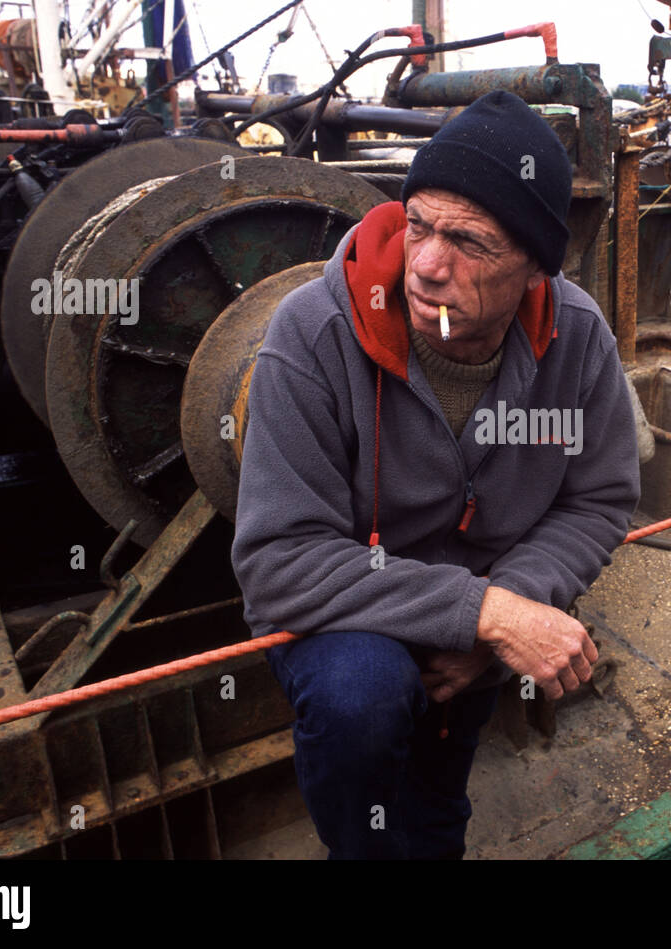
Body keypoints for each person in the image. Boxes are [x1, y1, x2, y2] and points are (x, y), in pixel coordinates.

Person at [231, 90, 641, 859]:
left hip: (481, 626)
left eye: (469, 242)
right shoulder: (313, 333)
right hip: (346, 622)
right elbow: (279, 561)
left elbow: (599, 498)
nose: (425, 265)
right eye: (417, 224)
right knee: (363, 699)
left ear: (533, 269)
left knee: (437, 800)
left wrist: (502, 609)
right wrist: (488, 613)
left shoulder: (579, 336)